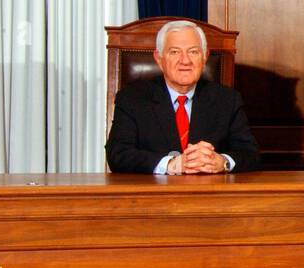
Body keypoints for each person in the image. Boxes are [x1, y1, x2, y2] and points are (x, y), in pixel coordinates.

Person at [106, 20, 260, 174]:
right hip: (153, 188)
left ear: (205, 57)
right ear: (159, 59)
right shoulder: (133, 98)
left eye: (193, 52)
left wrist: (223, 162)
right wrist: (171, 164)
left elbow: (250, 154)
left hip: (209, 187)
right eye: (174, 52)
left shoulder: (227, 100)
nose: (185, 61)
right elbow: (117, 154)